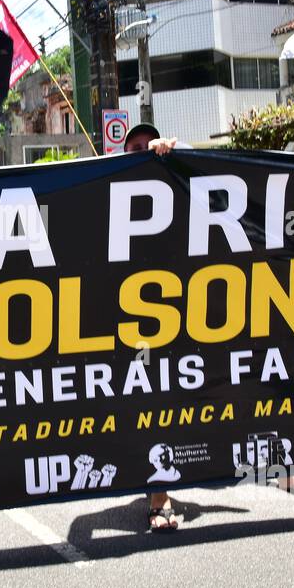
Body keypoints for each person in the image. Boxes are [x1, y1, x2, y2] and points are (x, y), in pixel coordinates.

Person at [122, 124, 184, 530]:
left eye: (150, 145)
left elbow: (218, 170)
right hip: (135, 330)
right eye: (136, 148)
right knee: (150, 409)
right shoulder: (108, 183)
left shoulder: (176, 175)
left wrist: (178, 149)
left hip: (183, 321)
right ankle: (158, 499)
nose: (145, 151)